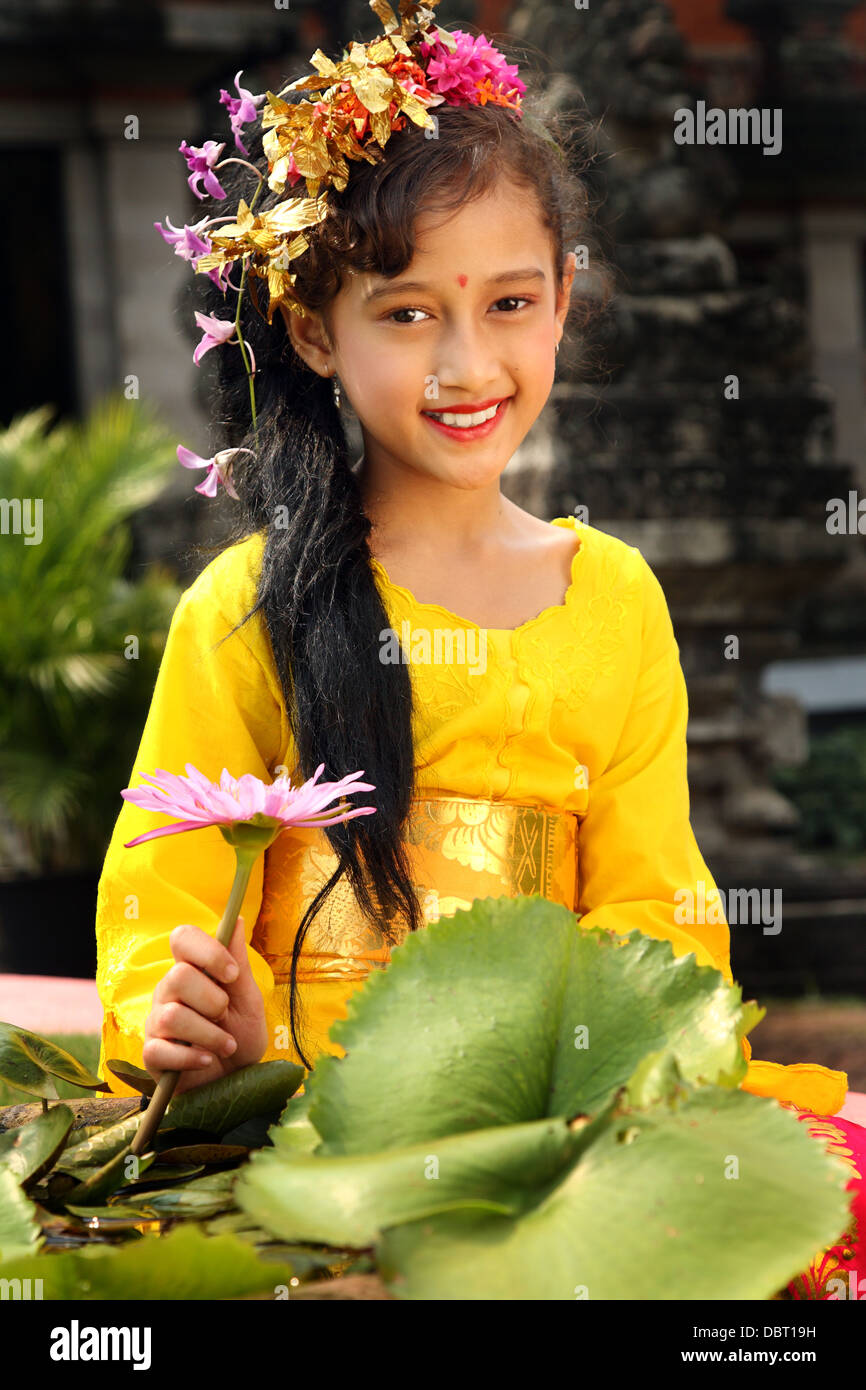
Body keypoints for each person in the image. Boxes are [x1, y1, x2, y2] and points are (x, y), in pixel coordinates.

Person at [95, 4, 863, 1298]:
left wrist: (616, 1094)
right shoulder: (244, 608)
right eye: (404, 313)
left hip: (554, 1149)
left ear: (563, 297)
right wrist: (183, 1024)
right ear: (311, 329)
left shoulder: (610, 595)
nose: (467, 365)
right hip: (304, 1152)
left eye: (508, 301)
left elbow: (655, 907)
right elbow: (155, 907)